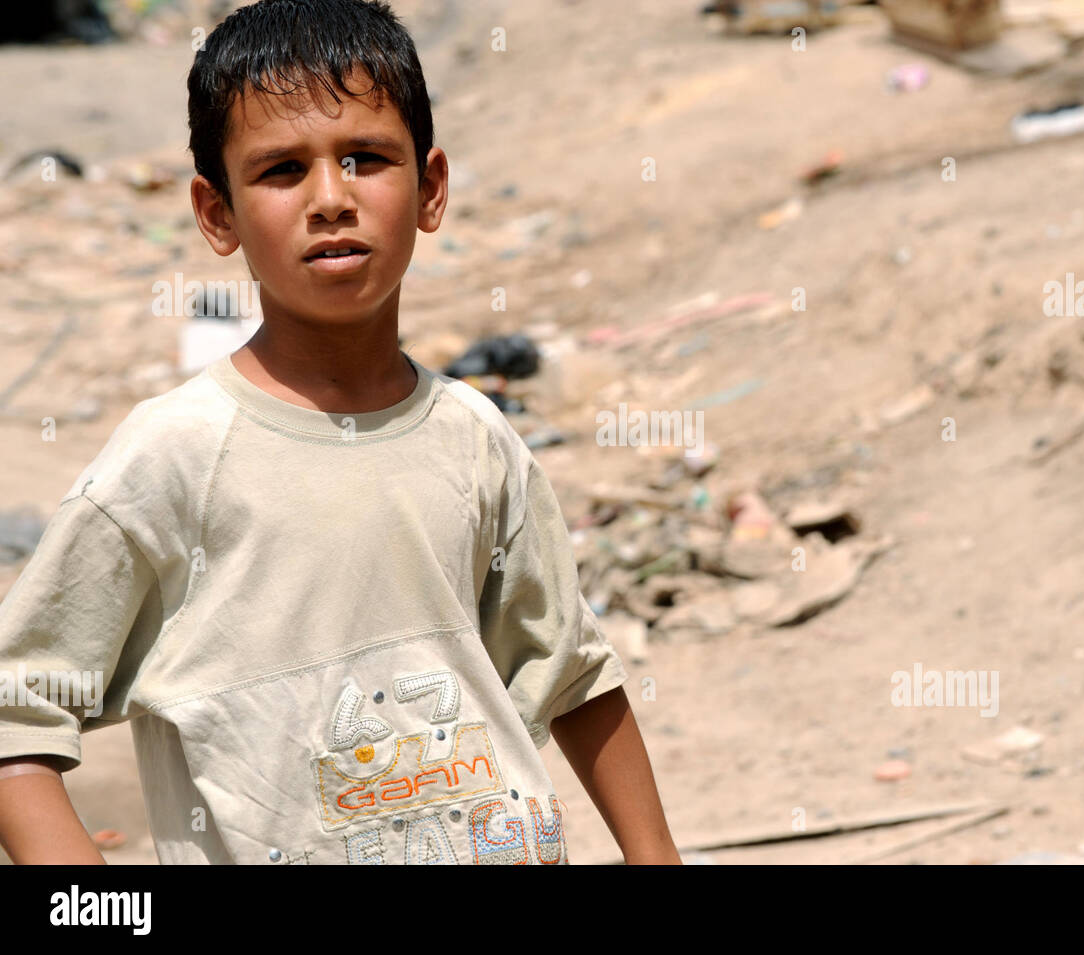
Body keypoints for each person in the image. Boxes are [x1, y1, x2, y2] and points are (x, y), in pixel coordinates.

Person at [0, 0, 680, 866]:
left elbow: (570, 671)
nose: (331, 198)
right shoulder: (172, 458)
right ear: (218, 214)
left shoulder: (474, 436)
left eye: (365, 158)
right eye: (282, 170)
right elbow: (16, 713)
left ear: (430, 188)